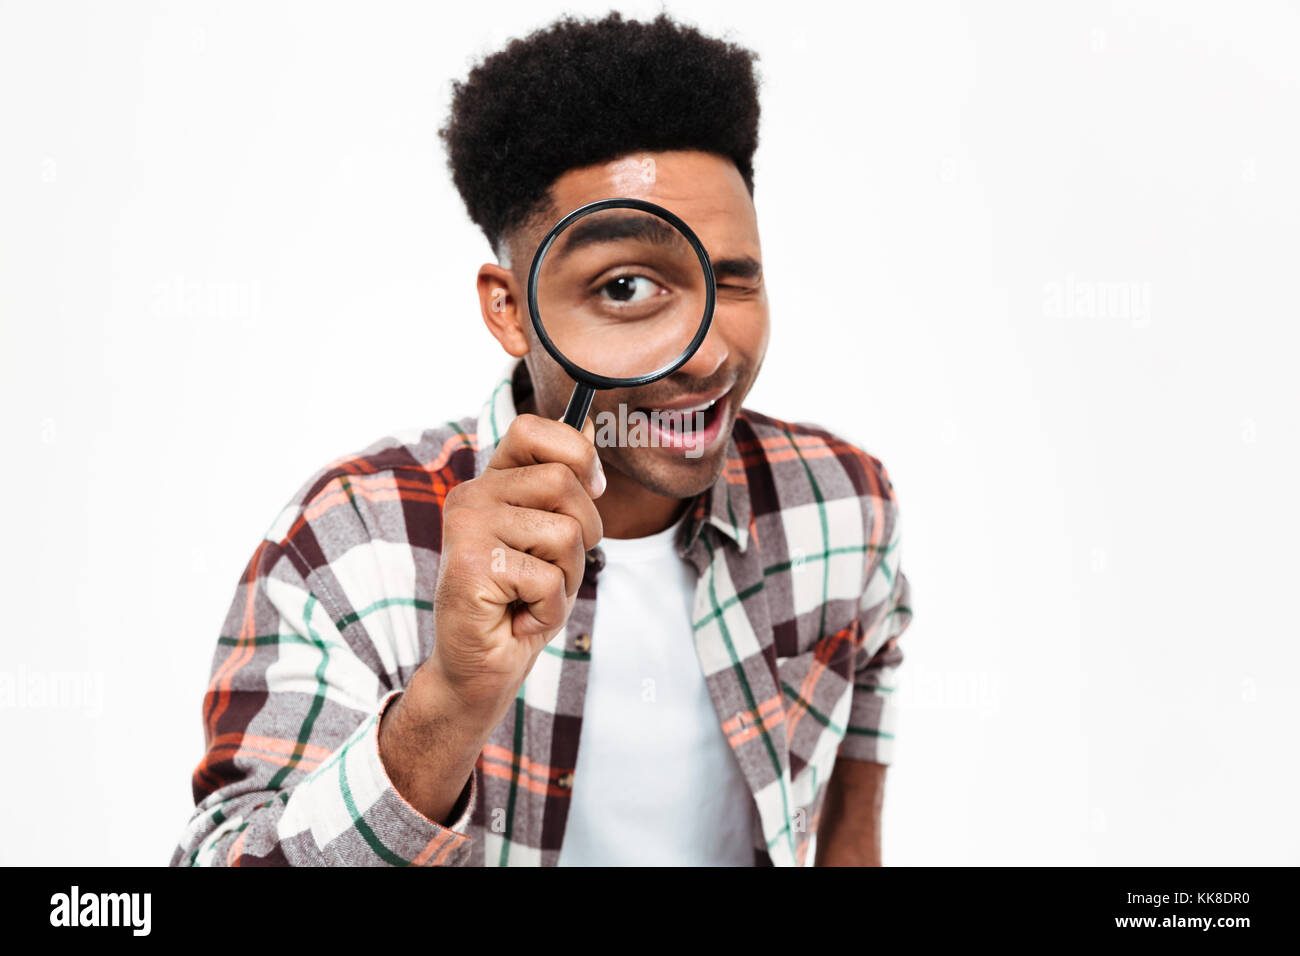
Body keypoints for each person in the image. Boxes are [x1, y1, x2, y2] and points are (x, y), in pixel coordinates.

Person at [170, 10, 912, 868]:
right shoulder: (351, 539)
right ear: (510, 308)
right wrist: (449, 702)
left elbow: (860, 761)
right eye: (627, 286)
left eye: (734, 282)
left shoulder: (845, 503)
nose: (708, 354)